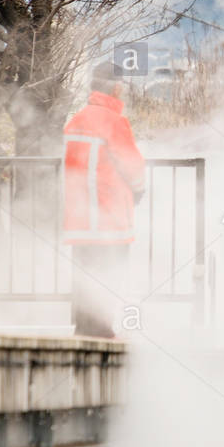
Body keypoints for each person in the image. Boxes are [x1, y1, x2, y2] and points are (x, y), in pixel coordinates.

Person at [62, 61, 145, 338]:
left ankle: (84, 327)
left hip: (79, 219)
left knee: (84, 274)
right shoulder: (114, 121)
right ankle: (102, 329)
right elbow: (132, 165)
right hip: (108, 218)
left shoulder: (76, 120)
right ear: (117, 88)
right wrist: (139, 189)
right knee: (109, 273)